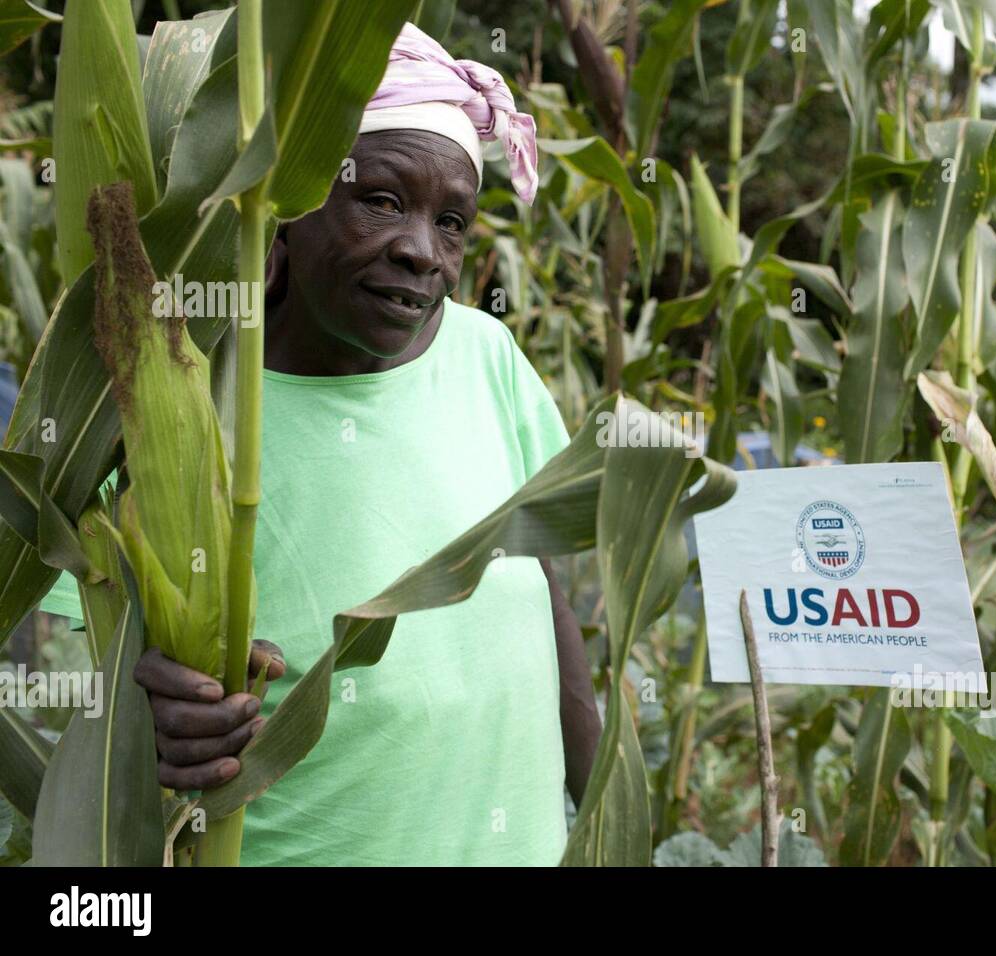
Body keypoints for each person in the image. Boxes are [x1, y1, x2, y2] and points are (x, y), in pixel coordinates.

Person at [41, 23, 601, 866]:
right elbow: (84, 659)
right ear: (288, 199)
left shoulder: (490, 358)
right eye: (380, 199)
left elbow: (548, 606)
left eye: (452, 222)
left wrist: (607, 820)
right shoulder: (166, 399)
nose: (422, 252)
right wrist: (143, 717)